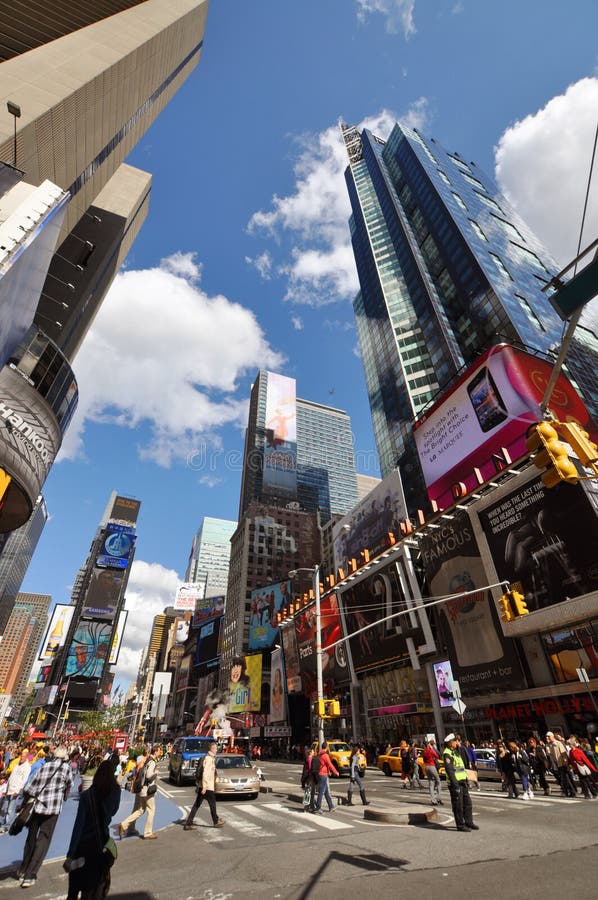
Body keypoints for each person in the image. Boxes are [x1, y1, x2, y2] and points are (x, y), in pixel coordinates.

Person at [17, 745, 73, 889]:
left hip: (37, 807)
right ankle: (30, 874)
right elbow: (70, 784)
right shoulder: (66, 769)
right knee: (44, 839)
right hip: (53, 809)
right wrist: (62, 795)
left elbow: (29, 787)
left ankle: (23, 868)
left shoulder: (45, 766)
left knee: (31, 837)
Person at [64, 760, 121, 899]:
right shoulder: (115, 792)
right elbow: (114, 811)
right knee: (94, 889)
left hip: (82, 847)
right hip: (101, 845)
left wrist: (71, 854)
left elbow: (78, 826)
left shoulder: (86, 796)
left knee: (73, 889)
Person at [118, 746, 159, 840]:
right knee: (151, 810)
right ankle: (148, 832)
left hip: (141, 789)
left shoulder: (146, 760)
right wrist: (156, 772)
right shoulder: (152, 762)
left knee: (140, 810)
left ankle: (124, 824)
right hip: (148, 790)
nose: (159, 753)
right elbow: (149, 776)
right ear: (155, 752)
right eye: (158, 751)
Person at [183, 741, 224, 830]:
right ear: (212, 749)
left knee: (197, 805)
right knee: (212, 804)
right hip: (207, 787)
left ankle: (188, 823)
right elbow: (205, 773)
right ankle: (216, 821)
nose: (217, 750)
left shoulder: (209, 757)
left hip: (203, 785)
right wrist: (205, 786)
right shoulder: (209, 759)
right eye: (216, 748)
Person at [442, 733, 478, 833]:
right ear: (450, 743)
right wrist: (455, 785)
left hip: (462, 782)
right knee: (458, 805)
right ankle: (460, 825)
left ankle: (469, 822)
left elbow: (461, 767)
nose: (456, 743)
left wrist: (466, 779)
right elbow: (450, 771)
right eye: (454, 741)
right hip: (456, 784)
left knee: (468, 803)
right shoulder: (447, 754)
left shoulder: (455, 752)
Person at [0, 749, 30, 833]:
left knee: (10, 809)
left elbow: (24, 780)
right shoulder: (18, 764)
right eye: (21, 756)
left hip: (15, 790)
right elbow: (11, 777)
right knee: (5, 807)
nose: (21, 758)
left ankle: (7, 825)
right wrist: (6, 789)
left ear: (26, 757)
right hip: (9, 789)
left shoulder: (27, 767)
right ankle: (3, 822)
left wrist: (18, 790)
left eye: (23, 757)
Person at [545, 732, 576, 797]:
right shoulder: (548, 745)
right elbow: (549, 755)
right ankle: (566, 791)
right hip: (556, 765)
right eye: (546, 737)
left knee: (566, 778)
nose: (547, 738)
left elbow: (564, 754)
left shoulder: (558, 743)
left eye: (548, 736)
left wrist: (566, 763)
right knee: (563, 779)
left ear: (552, 736)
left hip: (562, 764)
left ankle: (572, 791)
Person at [313, 742, 338, 814]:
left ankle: (331, 806)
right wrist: (335, 772)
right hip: (323, 775)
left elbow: (325, 765)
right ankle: (318, 807)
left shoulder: (320, 754)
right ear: (326, 747)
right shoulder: (325, 755)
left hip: (322, 774)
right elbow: (330, 764)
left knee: (326, 792)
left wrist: (328, 771)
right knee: (321, 792)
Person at [422, 739, 443, 806]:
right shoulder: (430, 750)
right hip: (432, 766)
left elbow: (424, 759)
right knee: (438, 781)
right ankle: (438, 797)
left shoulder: (424, 751)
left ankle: (433, 799)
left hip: (426, 767)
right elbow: (437, 756)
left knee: (431, 782)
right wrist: (432, 749)